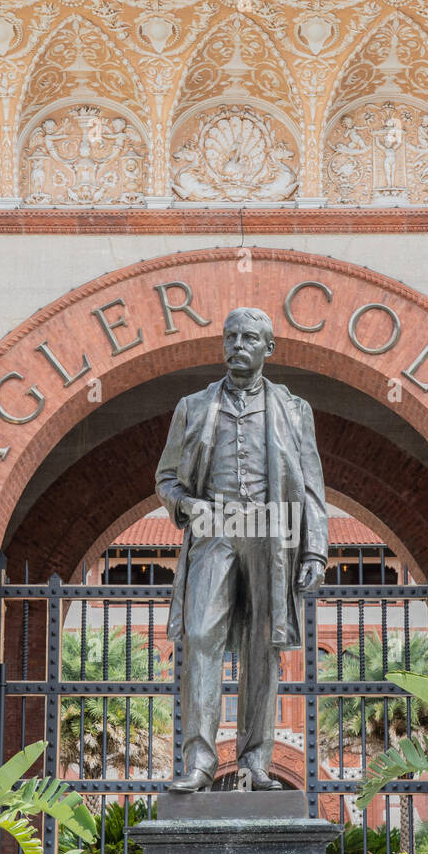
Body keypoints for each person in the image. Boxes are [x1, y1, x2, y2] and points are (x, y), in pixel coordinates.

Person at [155, 306, 328, 792]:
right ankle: (200, 764)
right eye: (230, 337)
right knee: (199, 636)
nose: (237, 346)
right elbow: (166, 479)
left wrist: (314, 551)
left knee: (262, 646)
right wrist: (186, 504)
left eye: (249, 338)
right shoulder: (193, 406)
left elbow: (312, 486)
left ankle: (255, 762)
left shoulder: (294, 410)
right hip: (213, 528)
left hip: (274, 533)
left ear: (268, 349)